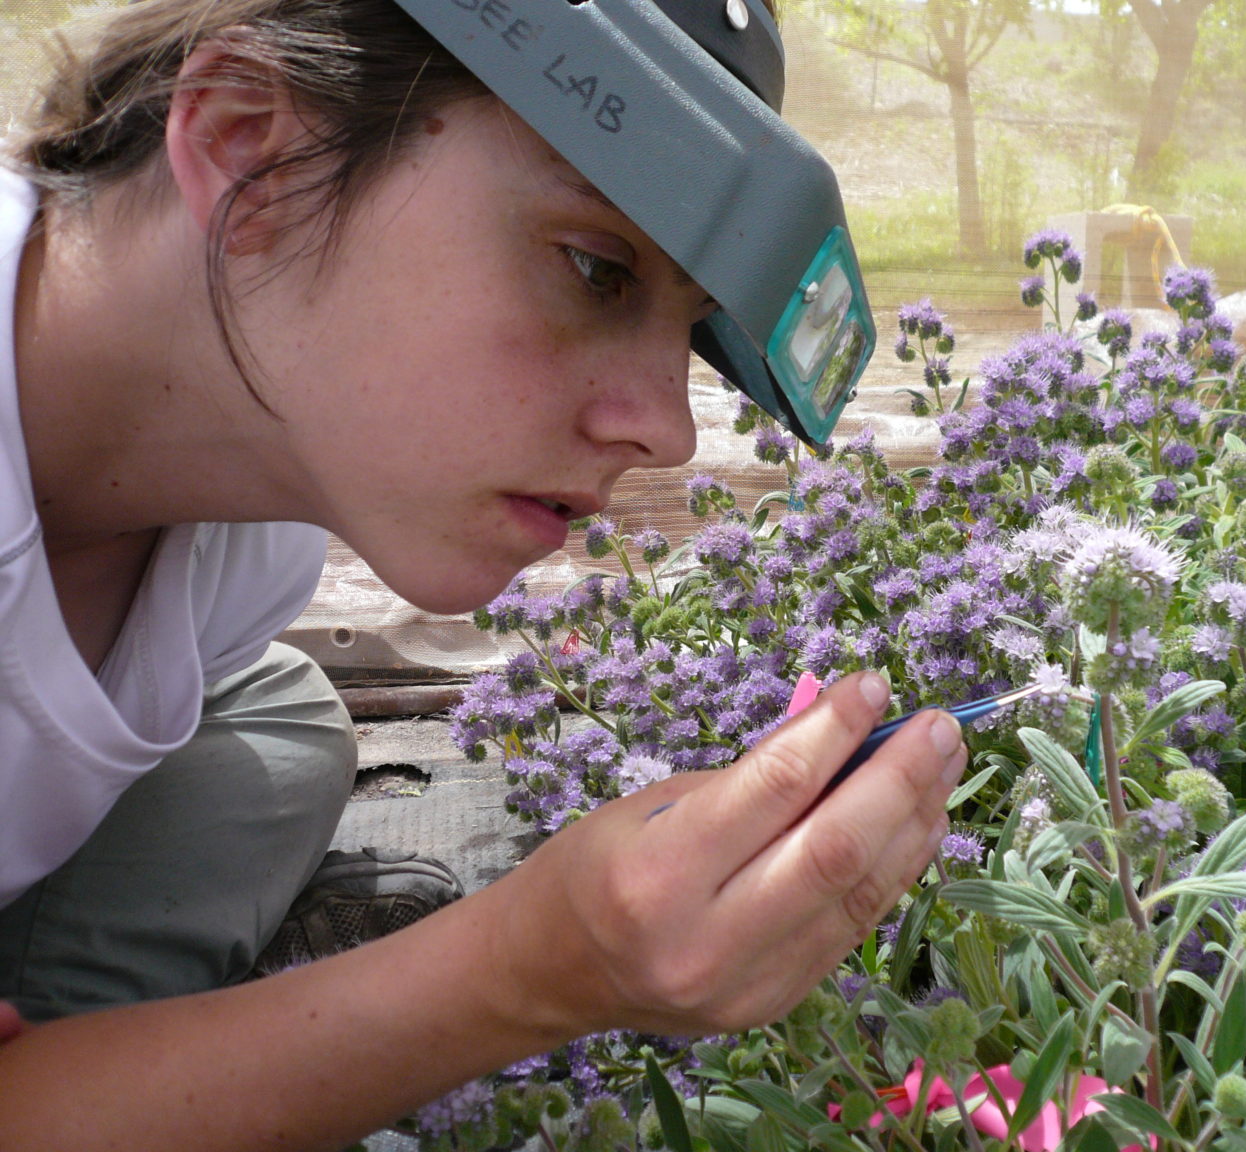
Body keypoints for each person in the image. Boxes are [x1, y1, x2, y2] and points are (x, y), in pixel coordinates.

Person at [0, 0, 965, 1147]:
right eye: (596, 269)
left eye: (689, 325)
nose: (667, 430)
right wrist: (530, 967)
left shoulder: (250, 546)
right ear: (250, 149)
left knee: (280, 721)